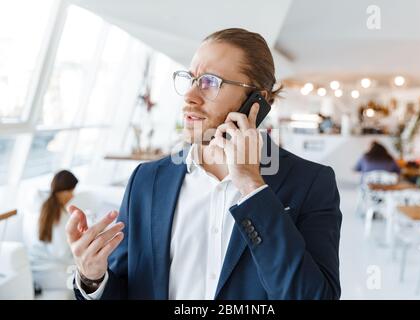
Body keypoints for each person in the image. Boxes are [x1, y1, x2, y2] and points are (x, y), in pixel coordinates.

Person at [67, 28, 342, 300]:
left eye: (210, 82)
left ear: (258, 100)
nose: (189, 96)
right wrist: (93, 279)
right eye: (191, 79)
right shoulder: (146, 180)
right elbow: (129, 289)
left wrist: (251, 185)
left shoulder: (311, 183)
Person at [28, 170, 78, 294]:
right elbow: (61, 253)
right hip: (48, 271)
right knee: (88, 286)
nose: (73, 196)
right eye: (71, 191)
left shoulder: (44, 206)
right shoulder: (58, 215)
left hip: (36, 266)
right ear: (63, 191)